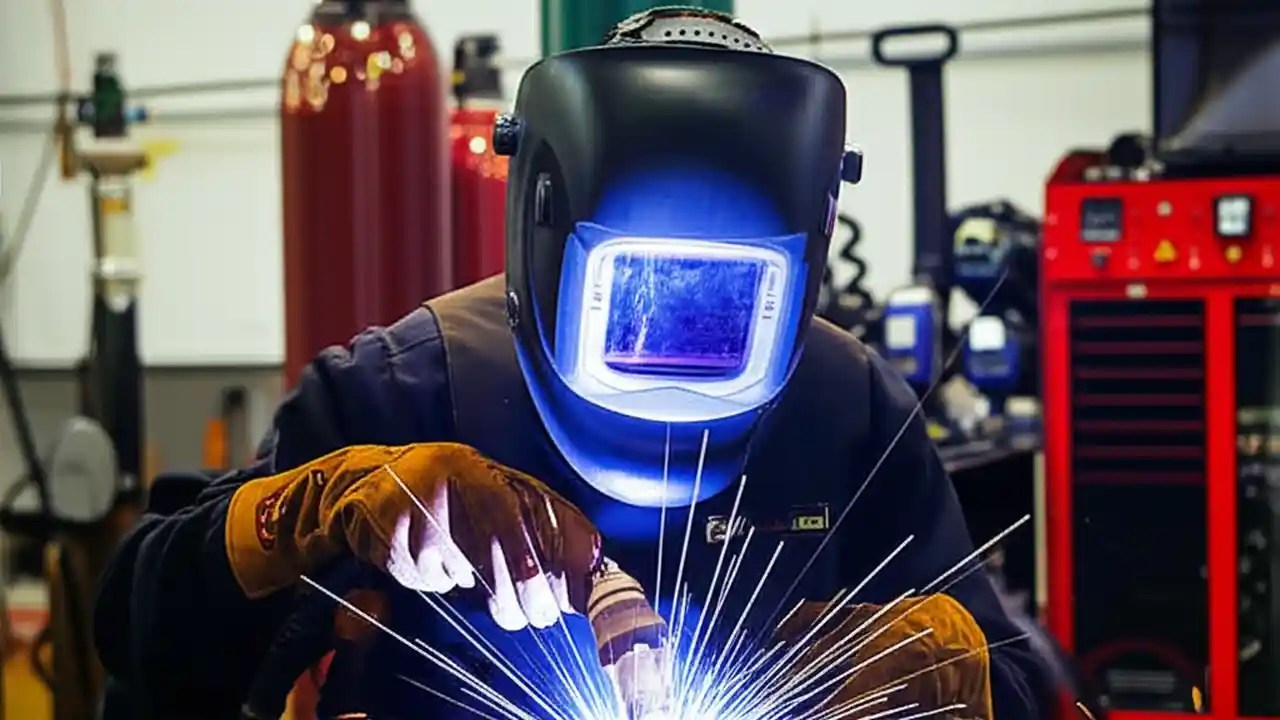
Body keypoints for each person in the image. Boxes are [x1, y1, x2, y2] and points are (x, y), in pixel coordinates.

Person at [94, 7, 1054, 719]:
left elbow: (1023, 683)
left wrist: (952, 666)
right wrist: (316, 508)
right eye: (643, 297)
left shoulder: (846, 406)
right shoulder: (406, 389)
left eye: (725, 304)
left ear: (806, 252)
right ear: (546, 228)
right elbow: (142, 639)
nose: (676, 359)